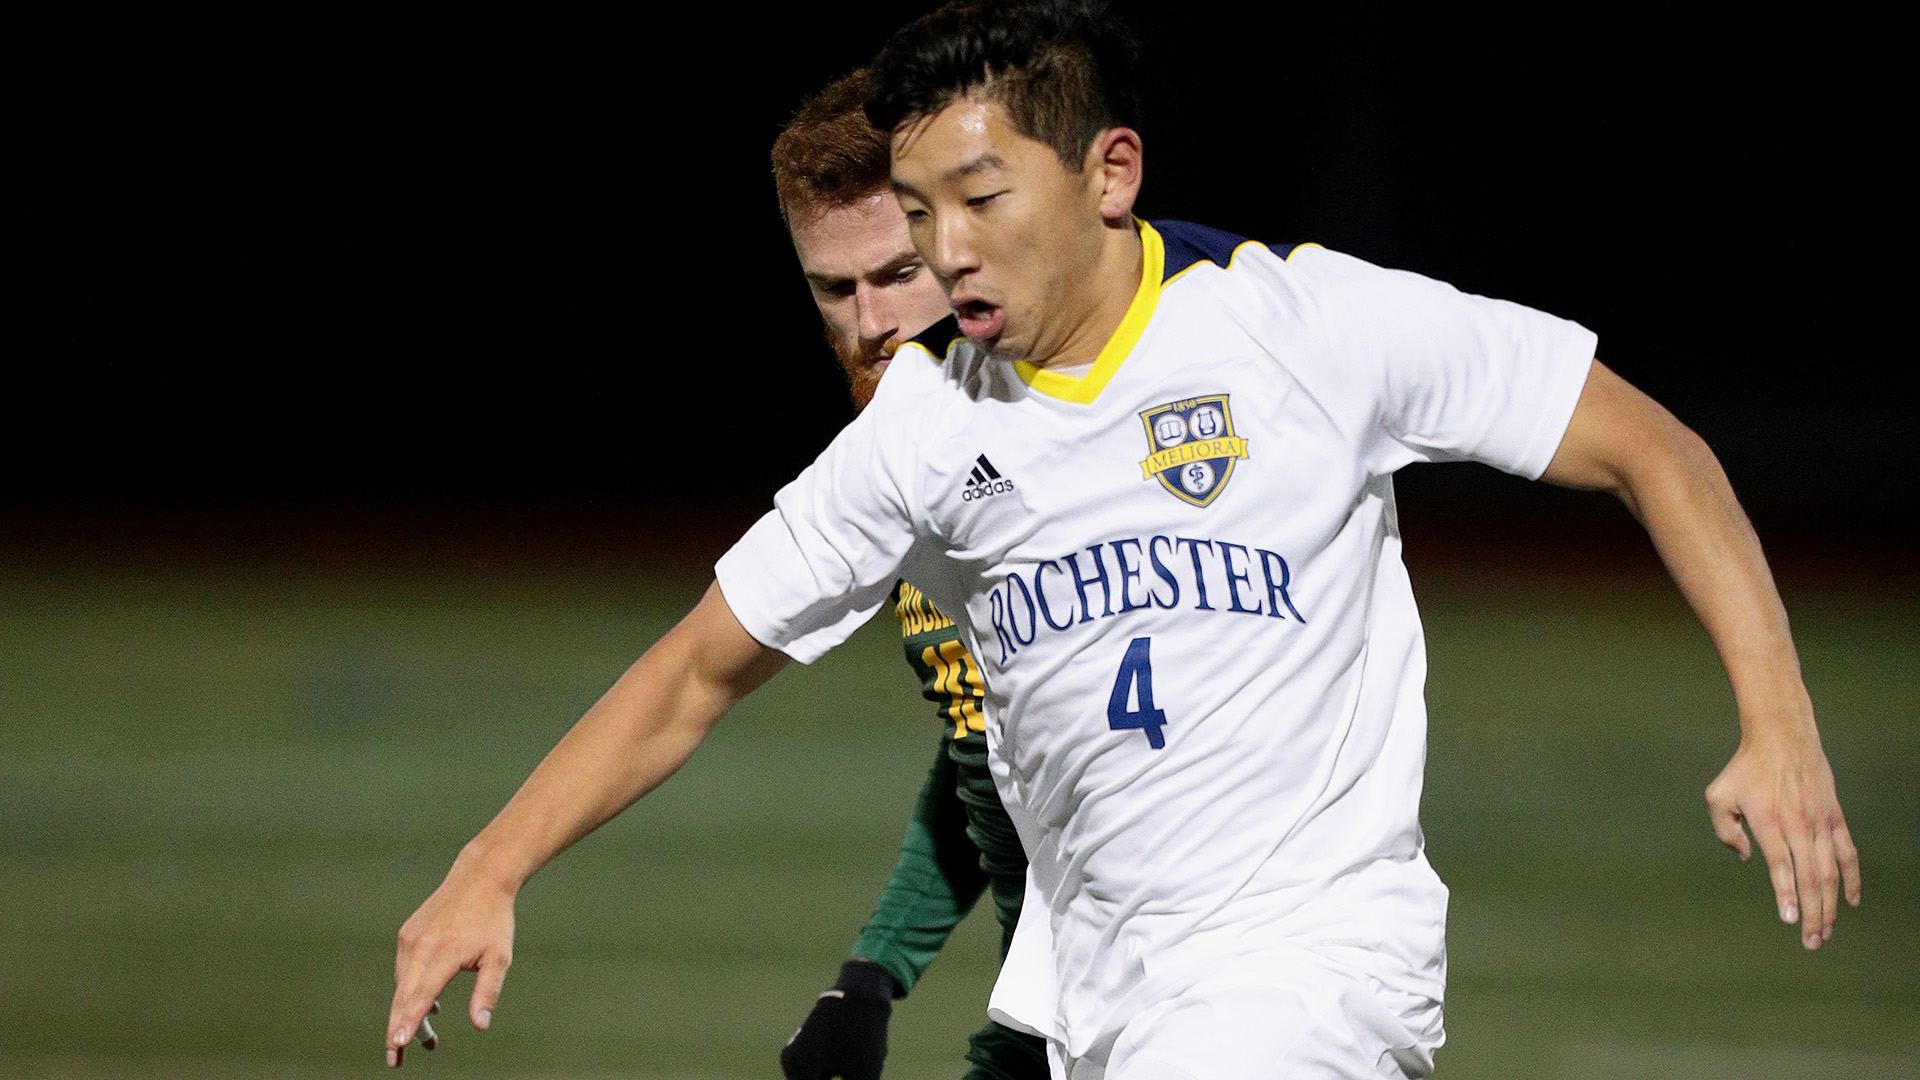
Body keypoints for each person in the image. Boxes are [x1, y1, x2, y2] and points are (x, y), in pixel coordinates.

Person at [386, 1, 1860, 1076]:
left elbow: (1653, 447)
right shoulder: (923, 428)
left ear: (1108, 176)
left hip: (1306, 981)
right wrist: (489, 864)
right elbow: (697, 671)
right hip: (1085, 997)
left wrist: (1778, 719)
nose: (945, 250)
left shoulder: (1306, 327)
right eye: (917, 213)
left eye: (977, 199)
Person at [768, 70, 1048, 1080]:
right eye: (834, 290)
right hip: (1053, 1018)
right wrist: (874, 973)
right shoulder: (916, 461)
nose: (869, 322)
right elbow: (989, 750)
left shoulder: (1063, 455)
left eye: (896, 273)